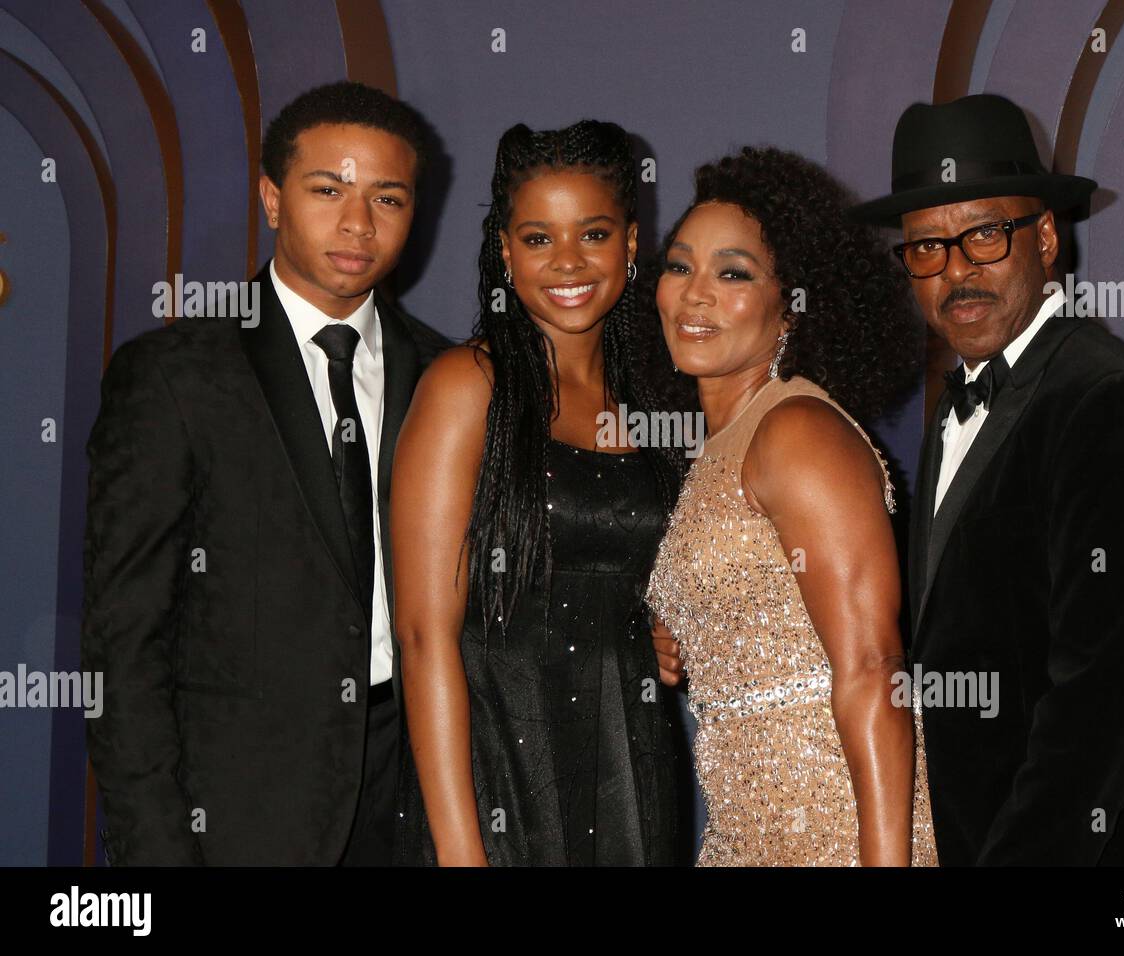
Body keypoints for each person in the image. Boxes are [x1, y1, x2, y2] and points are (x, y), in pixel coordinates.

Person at [849, 92, 1124, 864]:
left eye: (985, 234)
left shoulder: (1113, 406)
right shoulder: (956, 414)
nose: (956, 271)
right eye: (927, 248)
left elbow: (1105, 710)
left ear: (1047, 237)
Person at [82, 81, 449, 865]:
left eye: (388, 198)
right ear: (272, 198)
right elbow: (124, 646)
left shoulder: (449, 377)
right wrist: (155, 850)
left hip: (416, 804)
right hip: (240, 814)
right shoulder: (176, 376)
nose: (358, 223)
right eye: (328, 190)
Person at [391, 120, 679, 866]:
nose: (568, 262)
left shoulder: (654, 396)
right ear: (505, 250)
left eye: (593, 233)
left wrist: (666, 634)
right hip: (501, 781)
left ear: (630, 243)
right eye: (538, 238)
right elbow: (423, 637)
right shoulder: (466, 387)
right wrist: (461, 852)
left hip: (632, 766)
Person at [643, 146, 928, 866]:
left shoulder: (798, 430)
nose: (695, 294)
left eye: (733, 273)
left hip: (837, 825)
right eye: (680, 266)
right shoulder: (721, 447)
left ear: (793, 307)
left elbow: (871, 665)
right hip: (747, 830)